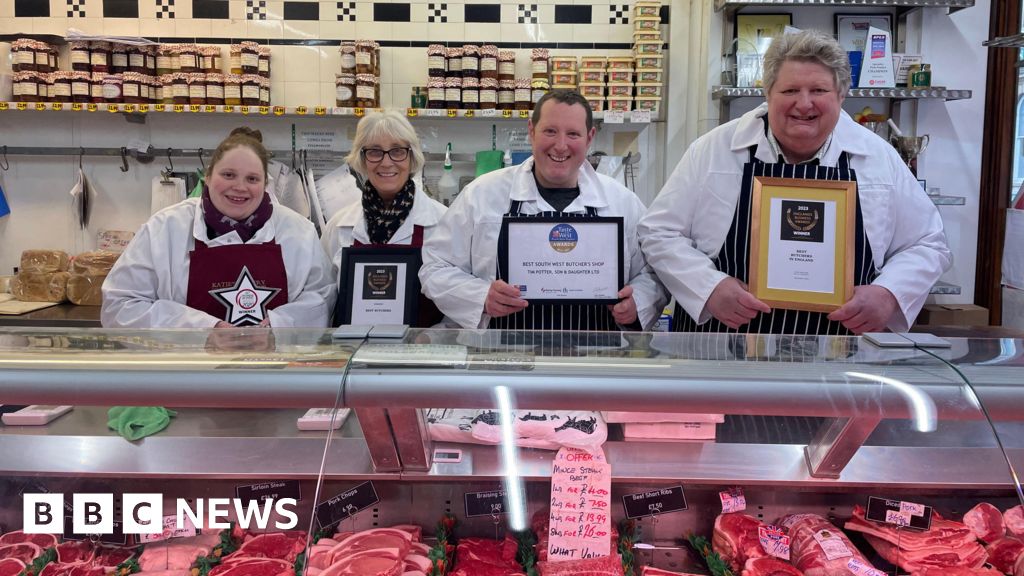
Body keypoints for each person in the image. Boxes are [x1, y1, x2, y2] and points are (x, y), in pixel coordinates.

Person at [639, 29, 951, 335]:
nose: (804, 104)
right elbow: (659, 232)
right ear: (768, 93)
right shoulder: (713, 151)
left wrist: (889, 293)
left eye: (819, 91)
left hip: (840, 351)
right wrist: (708, 287)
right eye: (789, 91)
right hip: (721, 345)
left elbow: (927, 243)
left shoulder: (879, 158)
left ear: (841, 95)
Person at [420, 89, 666, 330]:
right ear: (531, 131)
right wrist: (480, 296)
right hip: (503, 353)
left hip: (596, 353)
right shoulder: (482, 194)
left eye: (573, 134)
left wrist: (638, 302)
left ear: (589, 138)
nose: (560, 145)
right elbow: (436, 267)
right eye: (550, 131)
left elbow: (654, 272)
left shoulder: (622, 202)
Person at [102, 127, 335, 329]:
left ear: (265, 183)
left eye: (252, 179)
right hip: (191, 366)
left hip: (276, 366)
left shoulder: (299, 232)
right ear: (208, 176)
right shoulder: (164, 229)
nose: (240, 187)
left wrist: (278, 325)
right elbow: (119, 307)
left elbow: (322, 299)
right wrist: (202, 329)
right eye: (228, 175)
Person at [321, 110, 447, 326]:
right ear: (362, 159)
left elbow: (458, 305)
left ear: (412, 157)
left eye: (397, 151)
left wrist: (430, 337)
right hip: (352, 345)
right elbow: (323, 299)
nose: (386, 162)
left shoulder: (443, 223)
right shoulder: (339, 226)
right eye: (375, 152)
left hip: (423, 345)